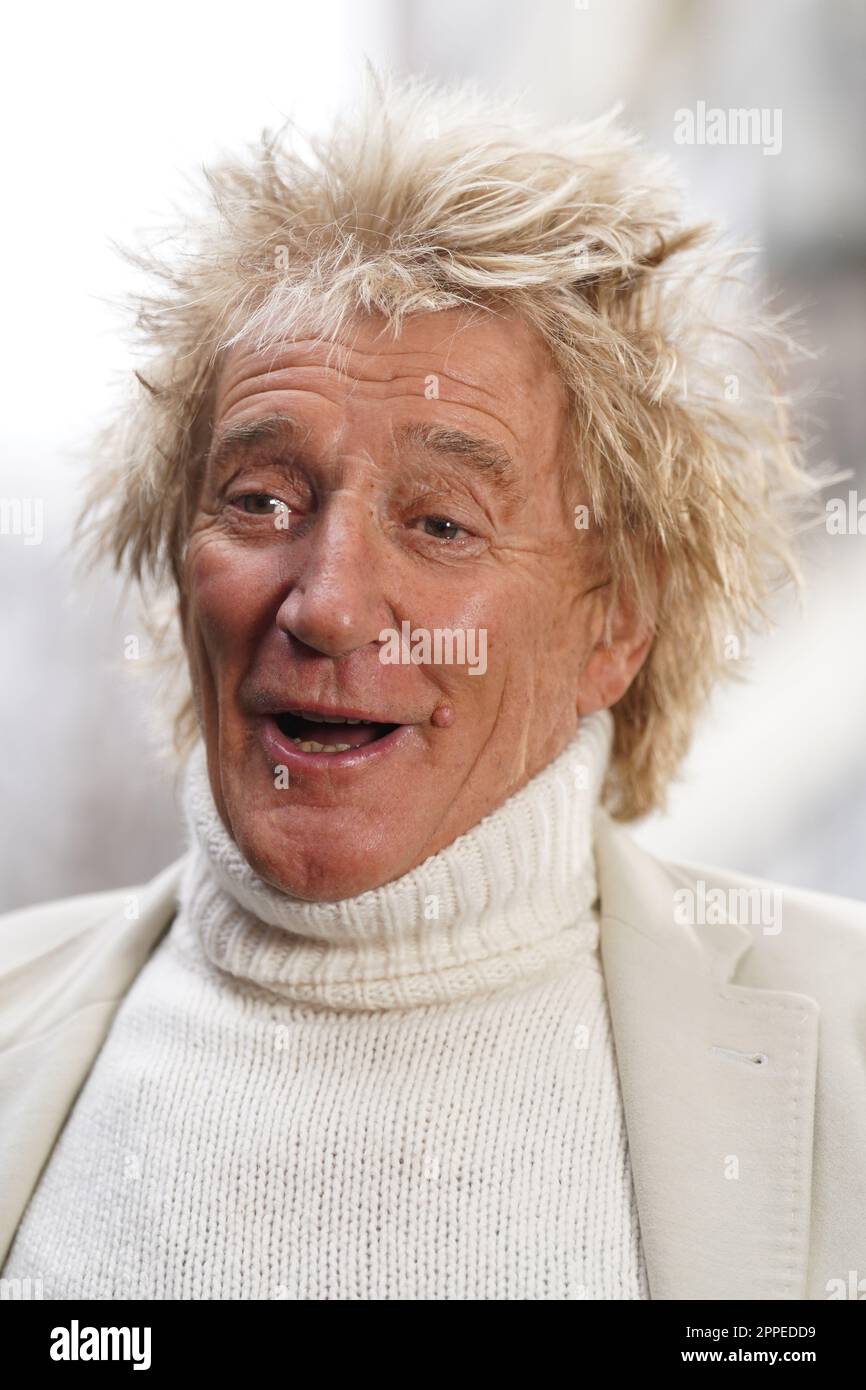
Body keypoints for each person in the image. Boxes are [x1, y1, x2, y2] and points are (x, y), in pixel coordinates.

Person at [1, 70, 863, 1301]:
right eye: (260, 500)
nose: (328, 602)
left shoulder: (845, 1050)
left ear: (614, 620)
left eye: (442, 523)